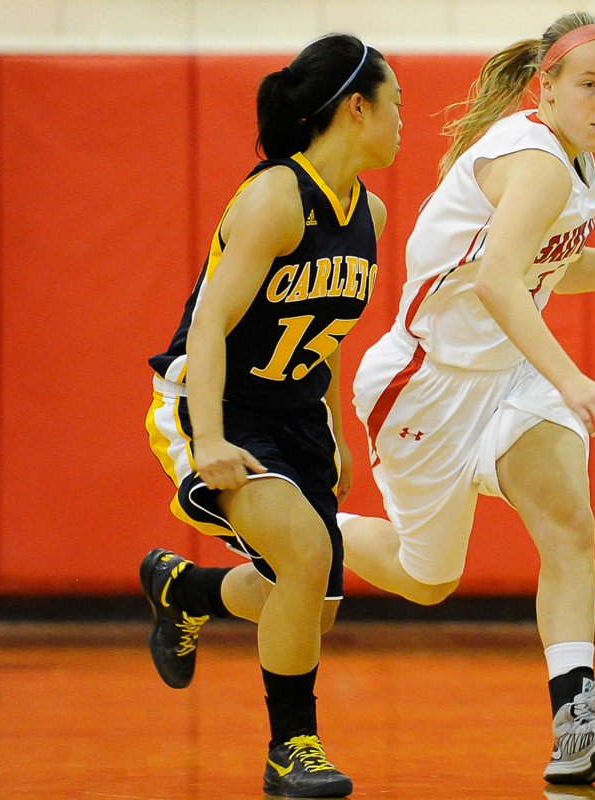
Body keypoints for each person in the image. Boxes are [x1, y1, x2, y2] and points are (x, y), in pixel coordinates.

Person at [337, 12, 595, 786]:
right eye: (590, 85)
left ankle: (576, 726)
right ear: (549, 88)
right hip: (425, 386)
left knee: (570, 523)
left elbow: (556, 267)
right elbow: (499, 278)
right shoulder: (534, 161)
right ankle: (307, 532)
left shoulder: (575, 163)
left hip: (504, 377)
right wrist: (574, 378)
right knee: (426, 579)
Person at [141, 33, 401, 798]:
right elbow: (213, 324)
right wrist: (213, 437)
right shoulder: (275, 198)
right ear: (357, 108)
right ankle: (293, 749)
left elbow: (324, 333)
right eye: (396, 106)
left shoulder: (372, 215)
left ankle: (181, 589)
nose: (401, 123)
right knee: (303, 557)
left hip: (295, 414)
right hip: (216, 403)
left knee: (306, 608)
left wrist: (337, 431)